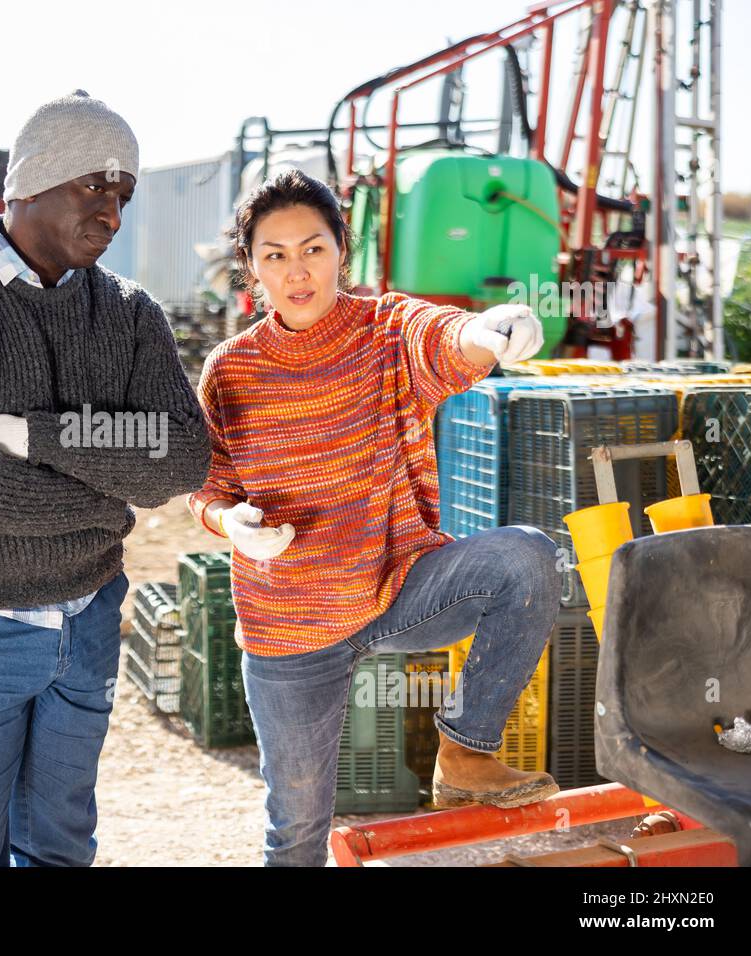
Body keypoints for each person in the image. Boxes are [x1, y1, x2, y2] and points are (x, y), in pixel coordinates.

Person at [188, 168, 561, 867]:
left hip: (395, 591)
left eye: (314, 248)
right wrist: (230, 522)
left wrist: (492, 328)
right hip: (288, 626)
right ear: (250, 269)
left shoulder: (385, 328)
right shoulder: (231, 370)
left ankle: (466, 755)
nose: (297, 271)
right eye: (275, 255)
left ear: (341, 252)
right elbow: (208, 482)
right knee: (295, 833)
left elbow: (444, 340)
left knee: (527, 557)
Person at [0, 90, 212, 867]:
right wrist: (107, 496)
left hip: (88, 621)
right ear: (28, 184)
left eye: (123, 195)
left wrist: (36, 435)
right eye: (95, 186)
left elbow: (184, 457)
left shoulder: (130, 313)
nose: (112, 215)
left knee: (62, 849)